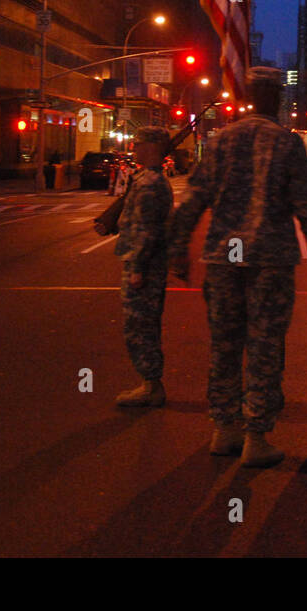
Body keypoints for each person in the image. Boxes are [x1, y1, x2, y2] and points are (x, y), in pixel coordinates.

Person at [168, 67, 307, 468]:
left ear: (251, 96)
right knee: (264, 344)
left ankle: (224, 429)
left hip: (224, 257)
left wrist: (178, 249)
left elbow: (193, 197)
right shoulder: (286, 144)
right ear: (275, 98)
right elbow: (306, 201)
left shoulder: (221, 141)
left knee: (225, 344)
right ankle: (256, 435)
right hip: (269, 259)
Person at [109, 126, 173, 408]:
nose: (134, 148)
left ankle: (151, 385)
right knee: (143, 325)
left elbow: (147, 230)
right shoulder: (149, 179)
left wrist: (137, 268)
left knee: (140, 326)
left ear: (150, 147)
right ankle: (149, 382)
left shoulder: (150, 183)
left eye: (138, 144)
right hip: (147, 264)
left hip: (144, 267)